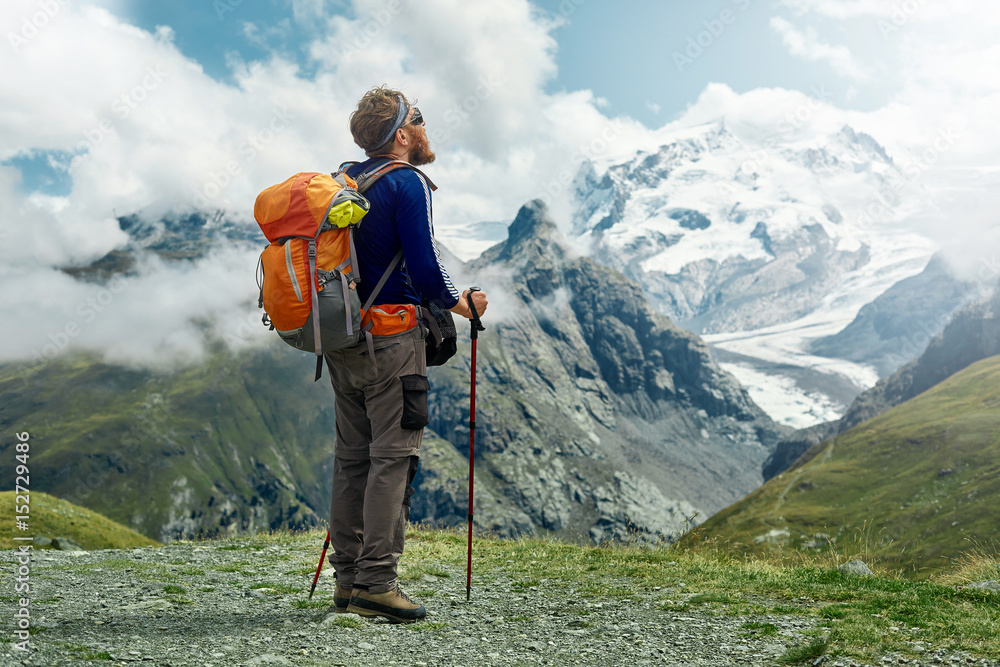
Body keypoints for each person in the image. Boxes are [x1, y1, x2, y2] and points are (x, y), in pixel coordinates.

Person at [325, 86, 488, 623]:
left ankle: (348, 583)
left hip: (343, 340)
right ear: (401, 134)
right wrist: (462, 302)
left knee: (352, 461)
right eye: (418, 118)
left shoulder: (346, 178)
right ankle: (377, 585)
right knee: (392, 460)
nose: (424, 126)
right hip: (392, 343)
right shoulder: (407, 183)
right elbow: (424, 268)